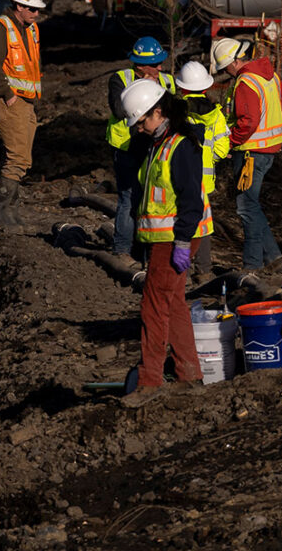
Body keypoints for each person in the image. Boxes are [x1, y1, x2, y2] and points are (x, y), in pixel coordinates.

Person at [118, 80, 209, 406]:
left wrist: (183, 240)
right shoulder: (159, 144)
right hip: (165, 238)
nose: (140, 128)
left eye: (142, 121)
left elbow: (190, 200)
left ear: (159, 112)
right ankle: (189, 374)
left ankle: (150, 381)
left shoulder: (180, 145)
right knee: (172, 305)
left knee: (153, 307)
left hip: (174, 238)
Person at [209, 35, 282, 270]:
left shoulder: (245, 82)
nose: (225, 71)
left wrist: (230, 142)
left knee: (246, 207)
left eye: (225, 66)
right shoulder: (269, 77)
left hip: (250, 152)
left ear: (233, 62)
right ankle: (274, 258)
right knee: (252, 205)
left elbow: (248, 122)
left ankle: (253, 265)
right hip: (266, 150)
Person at [0, 0, 46, 226]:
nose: (36, 13)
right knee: (17, 157)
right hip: (11, 100)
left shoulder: (31, 29)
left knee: (23, 159)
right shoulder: (2, 28)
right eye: (32, 9)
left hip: (26, 101)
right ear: (19, 6)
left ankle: (9, 211)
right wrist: (8, 95)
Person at [106, 38, 176, 257]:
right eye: (155, 65)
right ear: (140, 65)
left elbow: (174, 109)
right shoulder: (120, 79)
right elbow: (119, 110)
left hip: (155, 149)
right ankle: (122, 251)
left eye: (160, 64)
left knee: (150, 200)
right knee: (128, 198)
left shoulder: (167, 81)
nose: (160, 68)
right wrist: (143, 89)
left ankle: (145, 251)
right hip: (127, 148)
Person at [175, 60, 229, 276]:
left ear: (182, 87)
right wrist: (208, 159)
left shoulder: (176, 112)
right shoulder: (216, 114)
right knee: (203, 225)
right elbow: (223, 148)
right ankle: (204, 270)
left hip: (179, 177)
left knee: (181, 221)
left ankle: (182, 271)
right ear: (206, 87)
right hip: (204, 181)